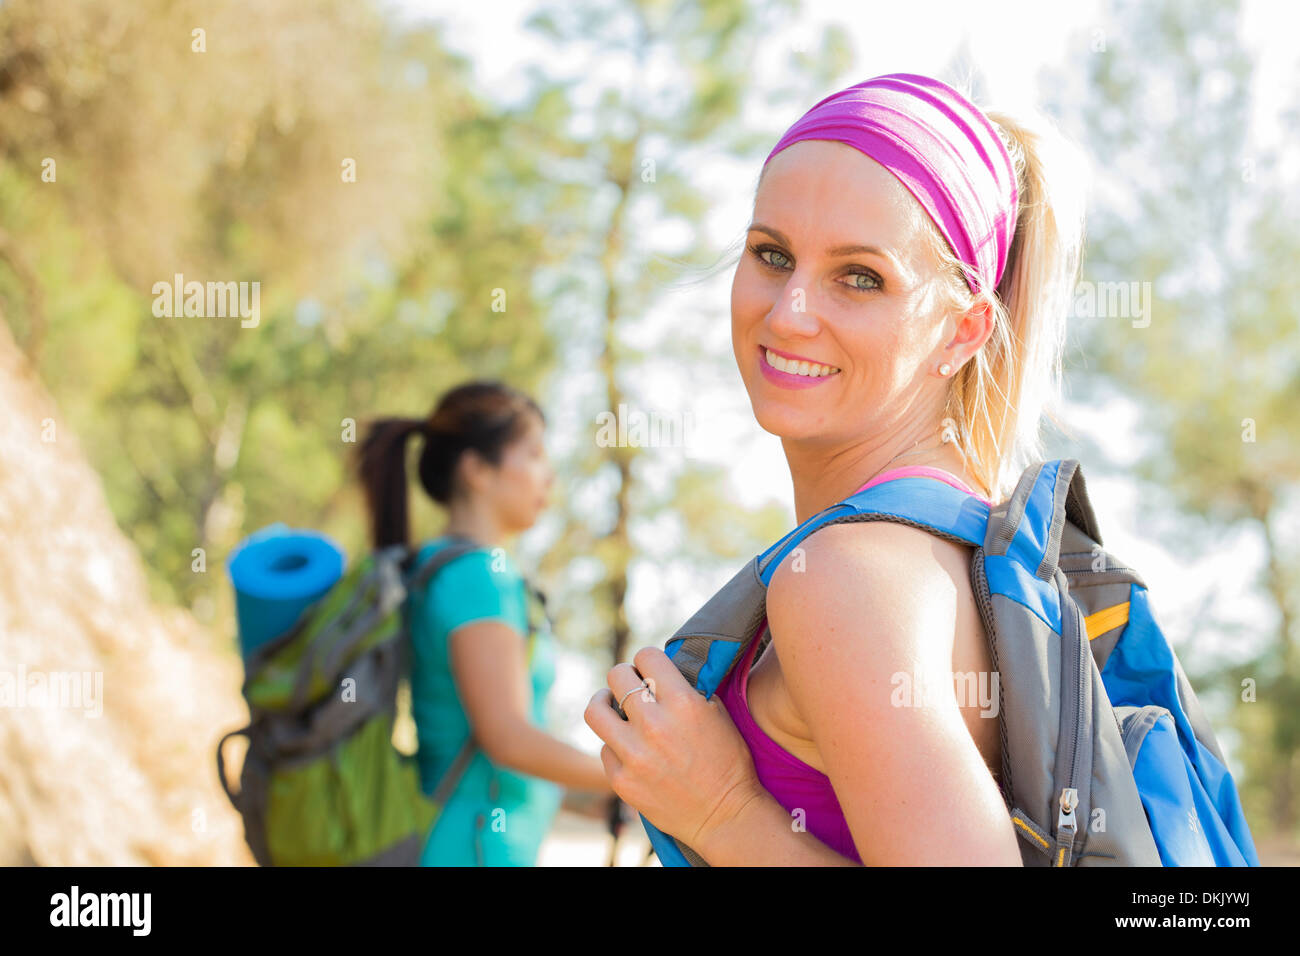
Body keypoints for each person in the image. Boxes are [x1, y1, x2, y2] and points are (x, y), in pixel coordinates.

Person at [586, 73, 1085, 865]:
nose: (789, 313)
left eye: (860, 277)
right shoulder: (950, 545)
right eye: (771, 254)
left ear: (963, 331)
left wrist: (722, 814)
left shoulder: (848, 577)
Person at [357, 380, 614, 866]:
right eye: (534, 453)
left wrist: (593, 791)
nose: (549, 476)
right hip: (473, 848)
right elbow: (506, 738)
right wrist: (632, 775)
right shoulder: (478, 577)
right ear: (476, 469)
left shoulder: (440, 569)